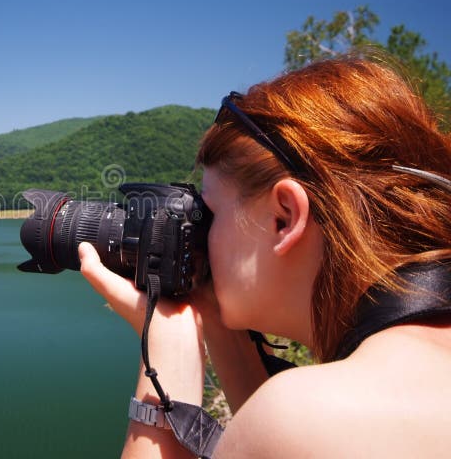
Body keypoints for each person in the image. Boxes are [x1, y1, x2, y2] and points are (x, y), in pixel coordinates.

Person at [78, 54, 451, 457]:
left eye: (211, 213)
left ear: (283, 218)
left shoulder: (308, 420)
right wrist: (217, 314)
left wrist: (166, 353)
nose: (200, 235)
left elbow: (285, 431)